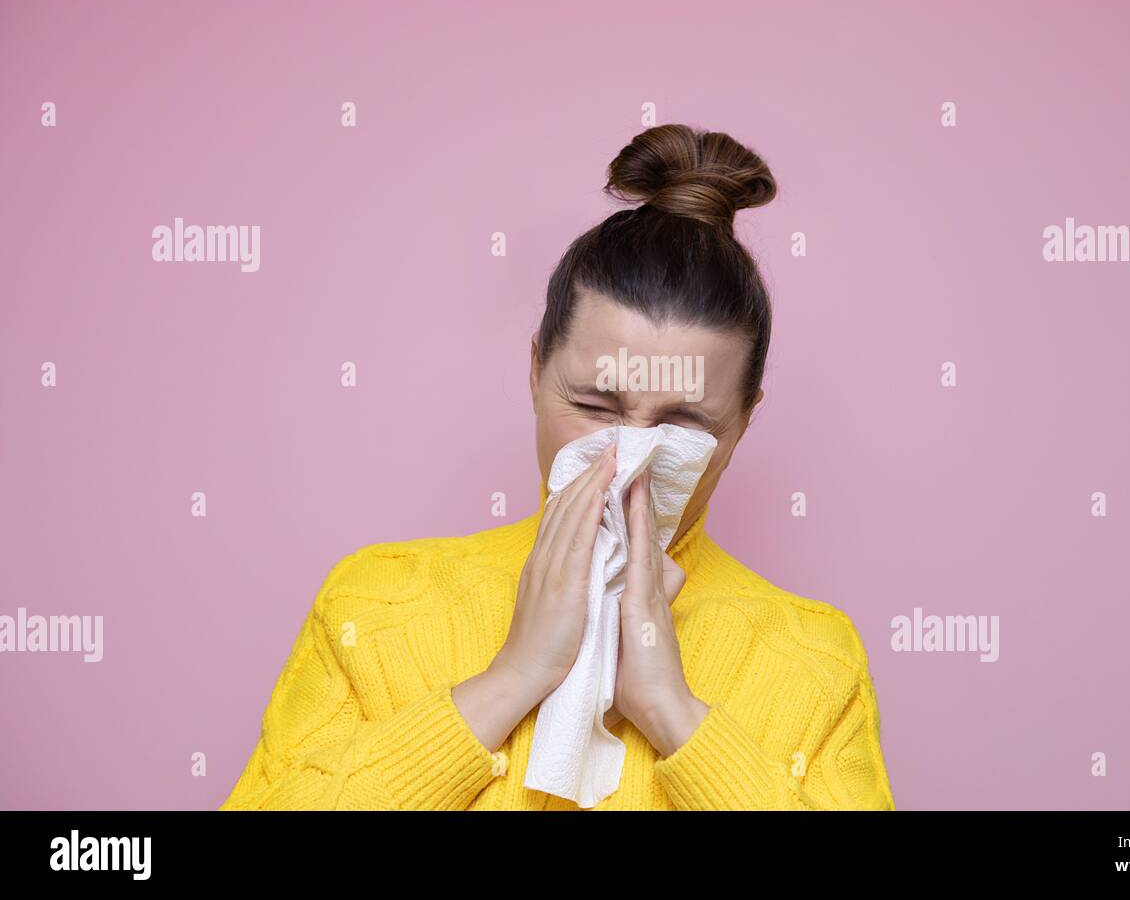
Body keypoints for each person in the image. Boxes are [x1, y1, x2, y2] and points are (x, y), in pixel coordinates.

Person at [219, 123, 896, 810]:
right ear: (537, 371)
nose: (627, 457)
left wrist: (675, 716)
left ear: (743, 422)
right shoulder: (373, 607)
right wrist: (511, 679)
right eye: (596, 406)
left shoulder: (817, 662)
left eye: (683, 424)